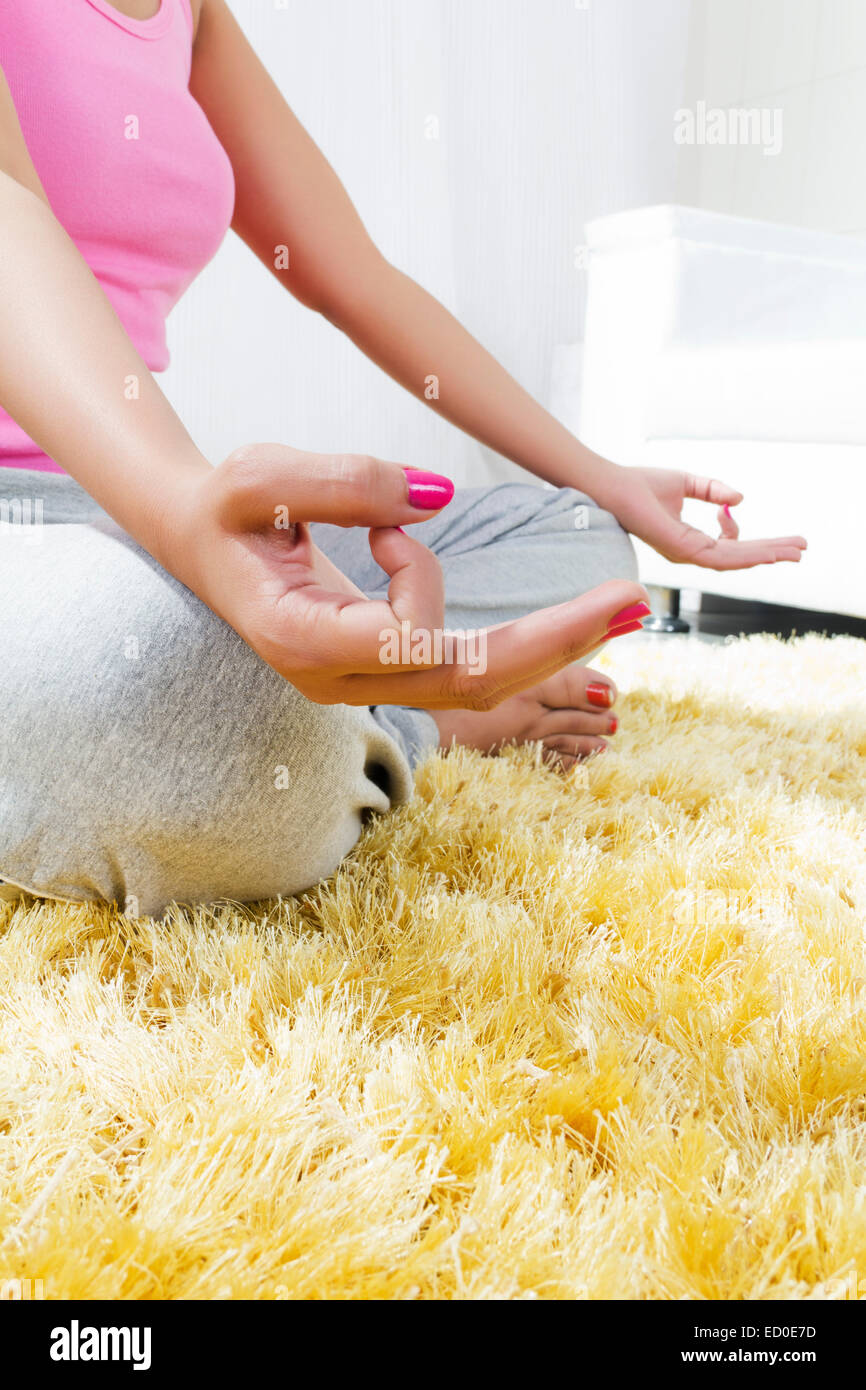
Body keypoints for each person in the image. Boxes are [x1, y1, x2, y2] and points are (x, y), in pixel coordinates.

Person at [0, 1, 806, 916]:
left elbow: (354, 273)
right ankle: (415, 719)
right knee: (207, 710)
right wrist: (184, 510)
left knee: (579, 541)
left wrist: (602, 475)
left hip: (122, 511)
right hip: (60, 521)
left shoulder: (193, 13)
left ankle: (354, 702)